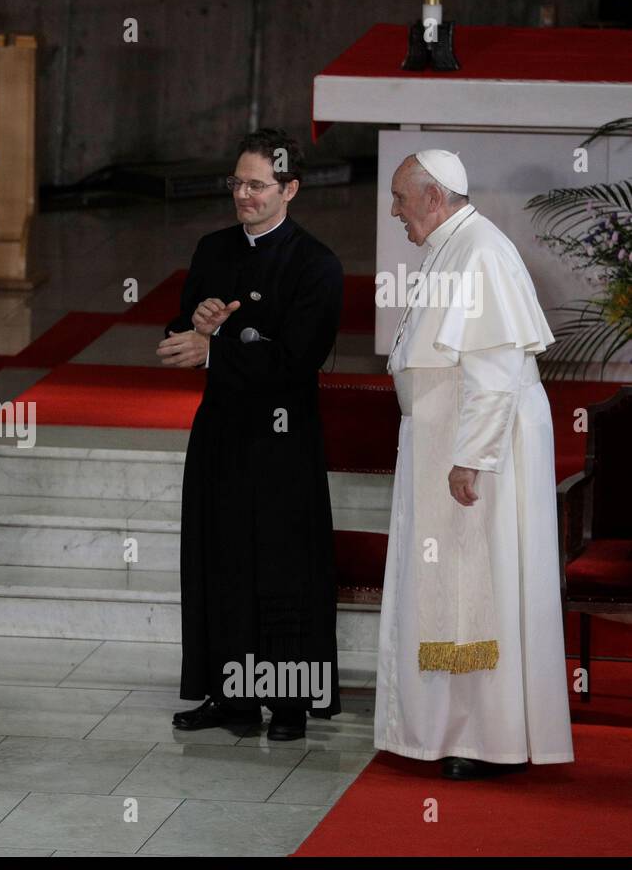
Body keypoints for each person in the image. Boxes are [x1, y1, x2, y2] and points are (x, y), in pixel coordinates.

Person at [376, 150, 574, 779]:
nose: (395, 211)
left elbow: (495, 373)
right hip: (448, 441)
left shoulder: (480, 250)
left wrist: (470, 458)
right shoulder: (454, 245)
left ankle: (489, 739)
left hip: (475, 453)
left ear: (433, 197)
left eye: (402, 198)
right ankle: (445, 729)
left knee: (483, 582)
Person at [159, 129, 343, 741]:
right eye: (237, 183)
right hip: (221, 433)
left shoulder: (316, 264)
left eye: (258, 185)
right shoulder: (214, 248)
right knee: (221, 559)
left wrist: (216, 349)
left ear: (289, 188)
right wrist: (196, 323)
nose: (244, 195)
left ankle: (286, 704)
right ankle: (228, 695)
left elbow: (298, 359)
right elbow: (182, 326)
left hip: (282, 441)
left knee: (282, 568)